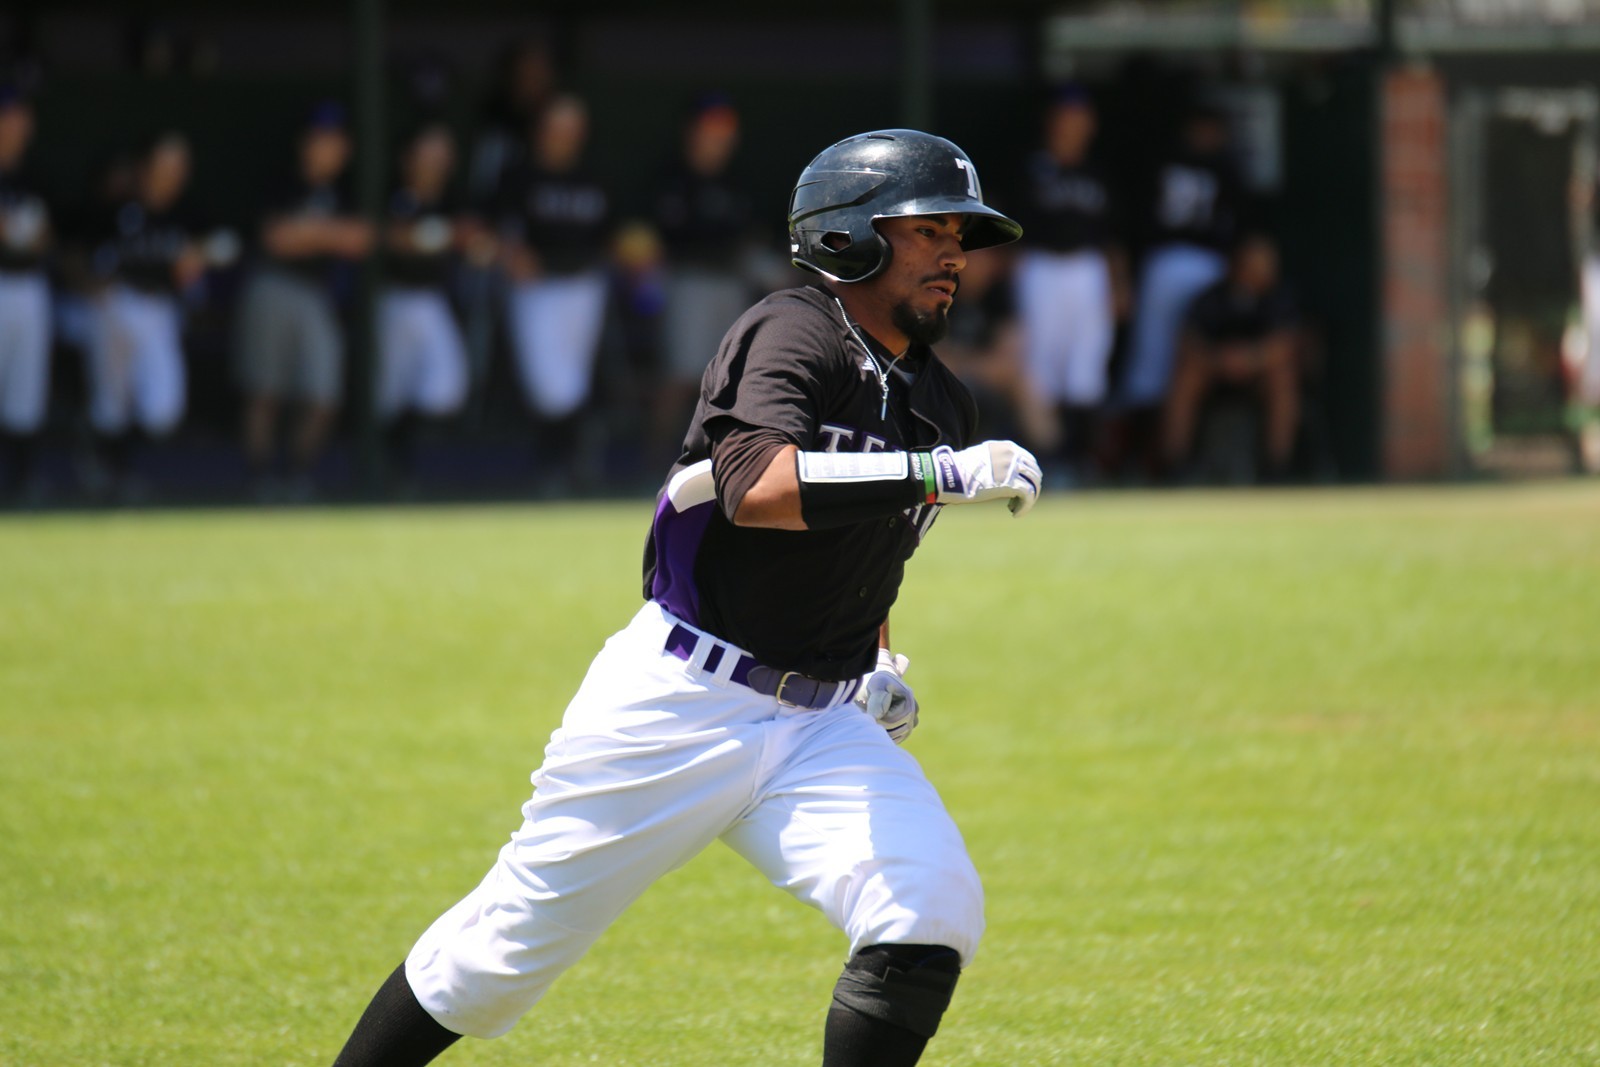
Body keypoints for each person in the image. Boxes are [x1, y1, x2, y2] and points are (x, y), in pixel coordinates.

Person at [330, 129, 1042, 1067]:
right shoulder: (793, 329)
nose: (955, 254)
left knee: (929, 906)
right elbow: (756, 487)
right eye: (929, 229)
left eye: (962, 236)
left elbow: (872, 554)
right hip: (678, 703)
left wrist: (871, 660)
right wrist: (934, 474)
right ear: (846, 234)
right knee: (494, 961)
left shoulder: (941, 401)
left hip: (819, 726)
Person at [234, 101, 373, 501]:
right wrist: (329, 234)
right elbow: (275, 239)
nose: (329, 148)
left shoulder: (348, 190)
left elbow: (361, 240)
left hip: (317, 294)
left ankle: (297, 475)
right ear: (305, 143)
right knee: (264, 391)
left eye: (336, 140)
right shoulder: (281, 182)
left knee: (324, 395)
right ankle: (259, 479)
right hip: (271, 285)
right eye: (321, 139)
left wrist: (308, 232)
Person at [493, 93, 611, 489]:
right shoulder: (519, 176)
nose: (564, 137)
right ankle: (552, 460)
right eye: (557, 128)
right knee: (549, 384)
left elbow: (612, 234)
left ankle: (564, 463)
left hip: (583, 284)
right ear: (540, 131)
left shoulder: (593, 176)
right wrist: (509, 252)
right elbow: (492, 231)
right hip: (536, 287)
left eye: (572, 129)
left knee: (574, 381)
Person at [1010, 84, 1125, 481]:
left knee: (1086, 365)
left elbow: (1112, 236)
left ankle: (1081, 458)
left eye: (1080, 118)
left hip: (1088, 269)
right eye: (1066, 117)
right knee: (1040, 362)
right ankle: (1047, 457)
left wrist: (1120, 283)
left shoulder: (1098, 173)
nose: (1073, 125)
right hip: (1040, 266)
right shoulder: (1029, 168)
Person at [84, 131, 207, 499]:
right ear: (145, 168)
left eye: (179, 166)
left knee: (163, 411)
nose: (173, 174)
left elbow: (199, 269)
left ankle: (110, 461)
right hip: (116, 303)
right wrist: (92, 285)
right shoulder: (117, 210)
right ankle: (111, 474)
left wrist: (194, 265)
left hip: (160, 310)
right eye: (165, 165)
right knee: (111, 403)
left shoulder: (187, 215)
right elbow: (82, 259)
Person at [650, 93, 756, 468]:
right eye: (711, 128)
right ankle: (656, 462)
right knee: (682, 375)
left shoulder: (736, 181)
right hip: (686, 282)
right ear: (692, 131)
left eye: (725, 129)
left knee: (732, 378)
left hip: (732, 283)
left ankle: (726, 462)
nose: (719, 138)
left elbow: (750, 239)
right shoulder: (672, 178)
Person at [1121, 102, 1243, 414]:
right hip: (1172, 262)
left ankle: (1170, 412)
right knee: (1154, 353)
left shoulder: (1224, 167)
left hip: (1199, 266)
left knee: (1193, 346)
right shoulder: (1167, 160)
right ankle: (1144, 416)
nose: (1207, 135)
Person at [377, 124, 470, 490]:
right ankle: (389, 469)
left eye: (442, 156)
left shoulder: (452, 199)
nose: (436, 163)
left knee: (446, 388)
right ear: (409, 158)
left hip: (432, 300)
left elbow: (472, 235)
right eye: (429, 154)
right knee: (387, 393)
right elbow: (388, 237)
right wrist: (436, 236)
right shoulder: (392, 195)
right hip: (392, 298)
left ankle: (405, 455)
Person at [1161, 231, 1299, 478]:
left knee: (1282, 379)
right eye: (1255, 264)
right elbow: (1189, 342)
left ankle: (1277, 468)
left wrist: (1250, 359)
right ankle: (1175, 465)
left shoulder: (1279, 298)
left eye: (1266, 264)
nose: (1262, 271)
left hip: (1258, 374)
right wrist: (1220, 360)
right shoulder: (1211, 298)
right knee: (1187, 376)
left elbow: (1285, 345)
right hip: (1215, 372)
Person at [0, 85, 52, 499]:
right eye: (9, 118)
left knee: (25, 388)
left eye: (21, 119)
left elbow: (47, 238)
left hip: (28, 286)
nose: (16, 127)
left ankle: (24, 478)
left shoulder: (34, 176)